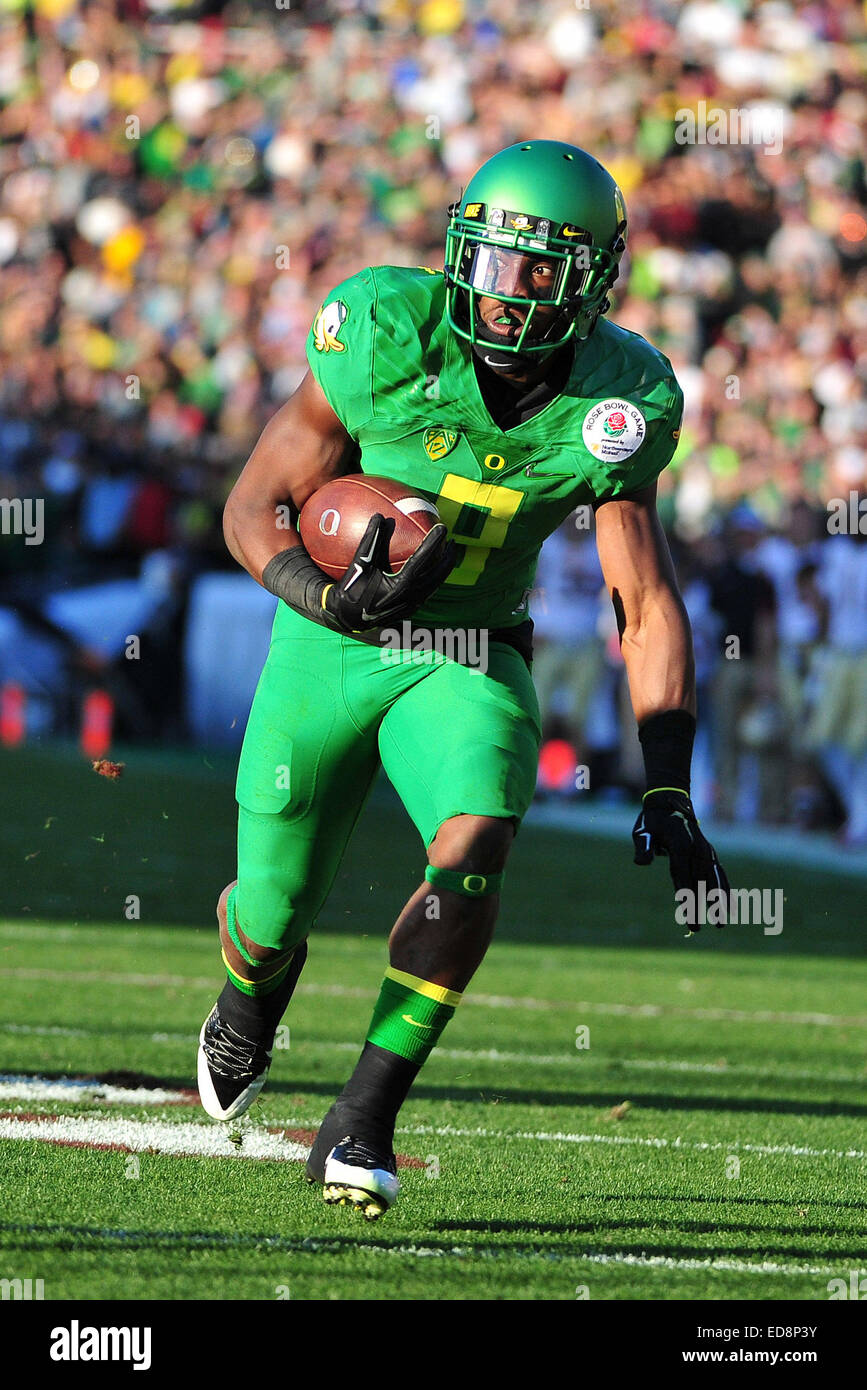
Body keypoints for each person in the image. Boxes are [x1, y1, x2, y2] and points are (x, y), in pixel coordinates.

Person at [196, 141, 729, 1218]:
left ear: (588, 280)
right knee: (271, 908)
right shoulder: (385, 328)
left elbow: (645, 599)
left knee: (476, 839)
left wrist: (668, 775)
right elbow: (254, 508)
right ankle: (252, 998)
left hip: (470, 650)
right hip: (329, 640)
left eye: (537, 270)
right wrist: (321, 591)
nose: (501, 291)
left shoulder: (621, 398)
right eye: (488, 259)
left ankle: (365, 1115)